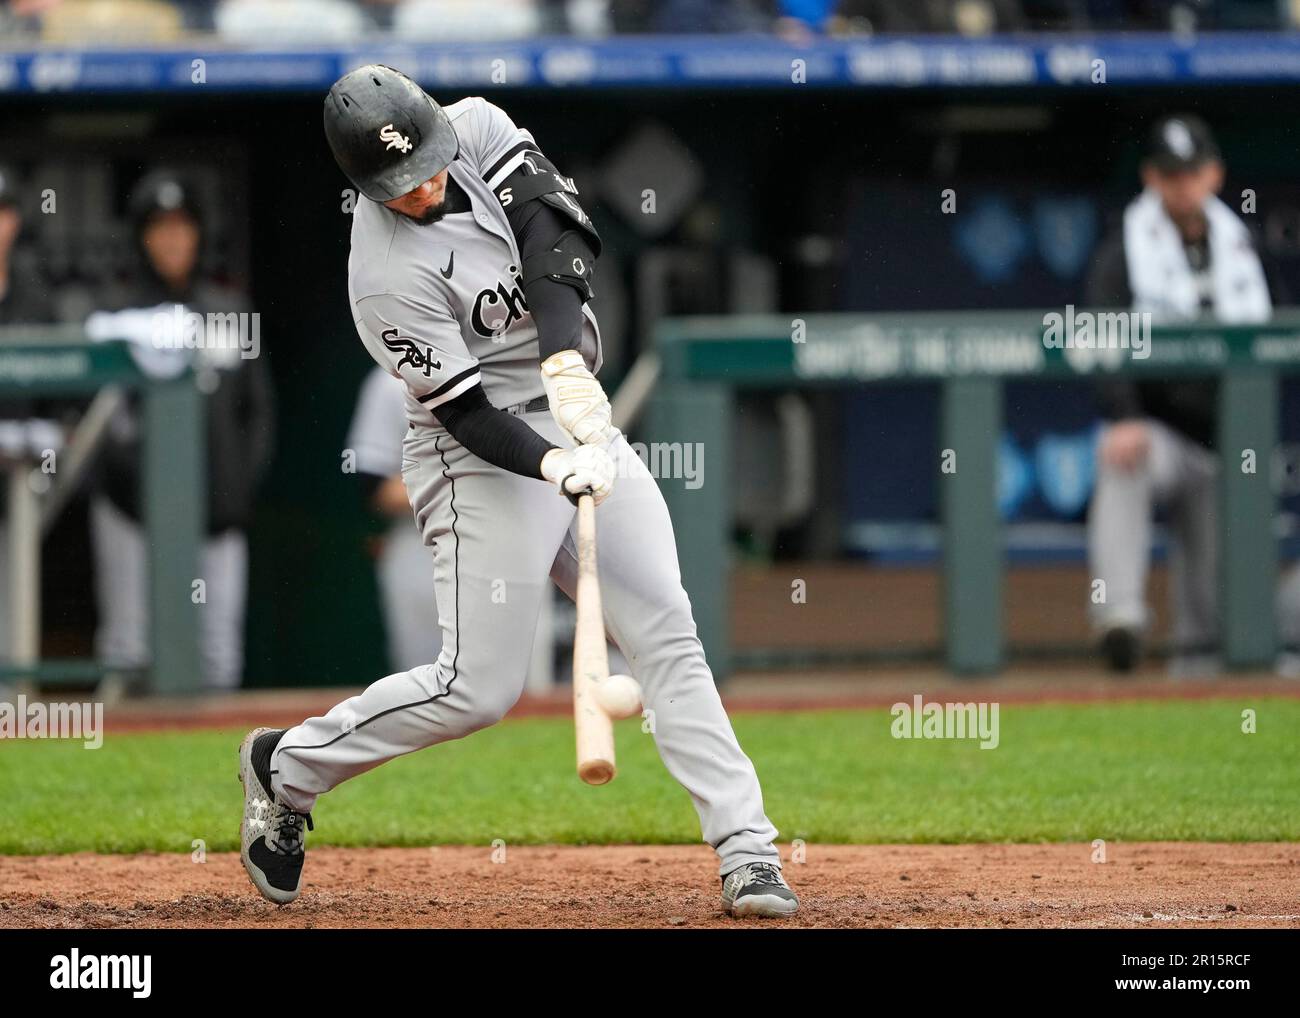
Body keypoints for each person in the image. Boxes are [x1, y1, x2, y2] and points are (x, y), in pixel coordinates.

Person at [237, 64, 797, 918]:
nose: (424, 185)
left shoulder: (479, 127)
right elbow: (464, 414)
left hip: (570, 408)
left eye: (426, 161)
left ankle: (748, 852)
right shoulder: (380, 278)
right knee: (477, 689)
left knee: (667, 634)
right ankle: (287, 768)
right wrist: (546, 463)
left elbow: (555, 234)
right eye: (399, 183)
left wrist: (563, 357)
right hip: (479, 457)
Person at [1085, 114, 1276, 673]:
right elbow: (1101, 330)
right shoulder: (1126, 244)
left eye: (1191, 172)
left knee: (1215, 612)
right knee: (1123, 459)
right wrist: (1122, 414)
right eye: (1170, 175)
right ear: (1151, 177)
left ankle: (1200, 675)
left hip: (1228, 435)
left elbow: (1272, 334)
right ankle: (1119, 618)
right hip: (1159, 429)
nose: (1182, 185)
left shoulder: (1239, 241)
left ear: (1213, 174)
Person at [89, 171, 275, 689]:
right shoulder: (116, 313)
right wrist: (136, 486)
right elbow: (100, 421)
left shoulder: (229, 309)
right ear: (142, 237)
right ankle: (122, 767)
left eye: (181, 226)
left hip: (216, 511)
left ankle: (221, 770)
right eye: (159, 228)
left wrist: (233, 486)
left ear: (197, 234)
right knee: (130, 652)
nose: (171, 239)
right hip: (132, 512)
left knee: (217, 655)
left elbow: (256, 412)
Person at [345, 365, 442, 672]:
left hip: (505, 543)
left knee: (522, 690)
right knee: (423, 682)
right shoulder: (392, 380)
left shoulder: (509, 367)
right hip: (423, 546)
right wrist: (463, 488)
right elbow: (375, 486)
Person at [0, 165, 58, 670]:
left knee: (14, 607)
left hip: (18, 485)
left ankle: (14, 709)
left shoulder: (35, 295)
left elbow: (63, 400)